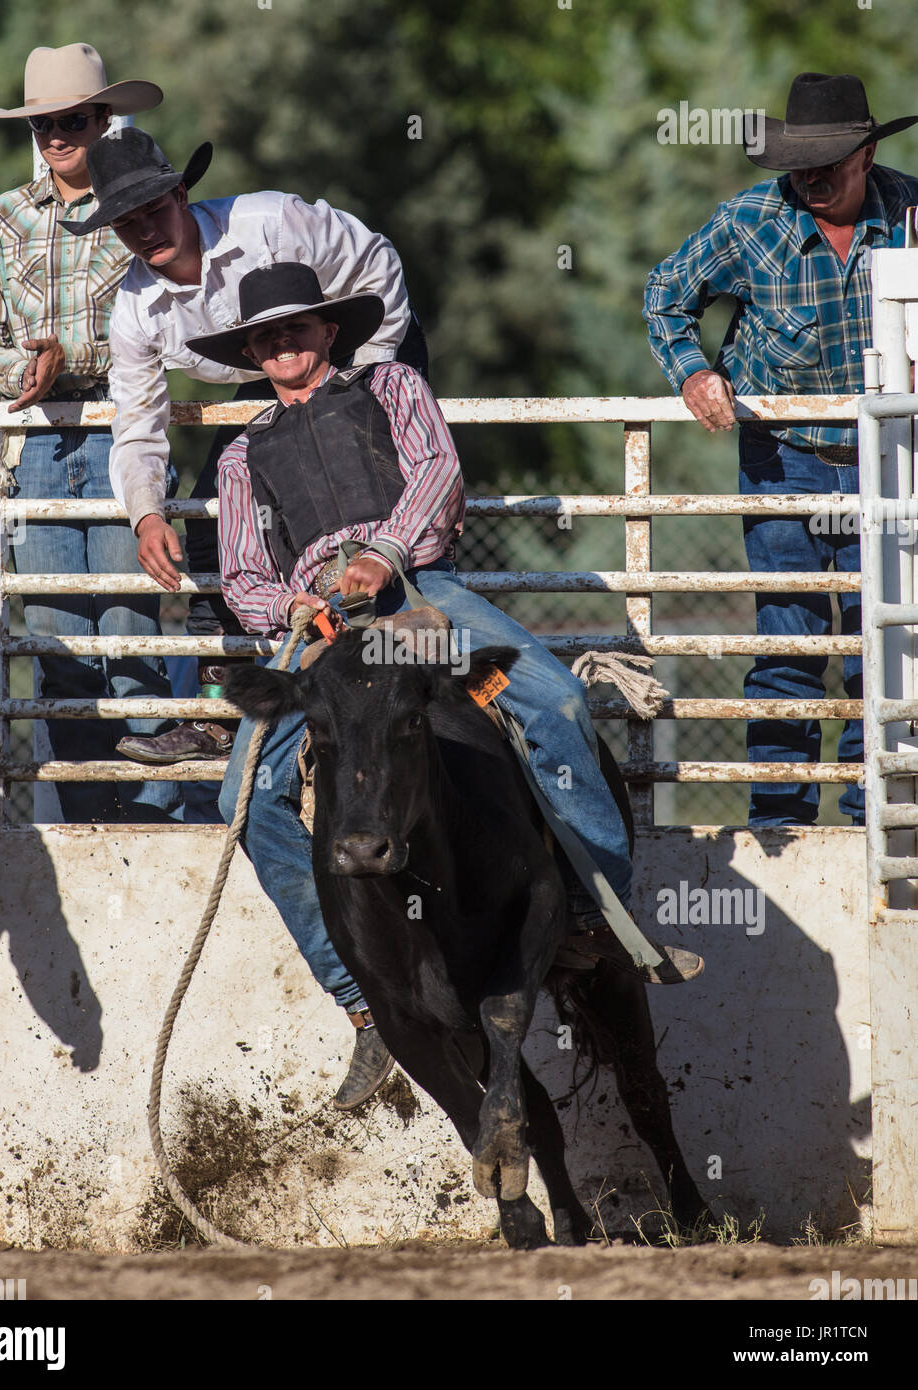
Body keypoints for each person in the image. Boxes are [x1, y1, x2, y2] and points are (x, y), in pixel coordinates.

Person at [191, 262, 702, 1110]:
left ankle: (595, 912)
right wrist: (297, 603)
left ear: (328, 331)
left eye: (295, 327)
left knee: (558, 702)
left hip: (419, 593)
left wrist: (382, 553)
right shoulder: (244, 455)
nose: (281, 343)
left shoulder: (391, 385)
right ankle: (363, 1002)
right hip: (318, 628)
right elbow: (243, 575)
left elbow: (435, 470)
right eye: (264, 336)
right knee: (245, 801)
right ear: (251, 351)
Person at [60, 128, 427, 808]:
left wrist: (362, 387)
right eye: (124, 220)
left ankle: (412, 657)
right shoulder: (136, 308)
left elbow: (376, 261)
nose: (143, 230)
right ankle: (216, 708)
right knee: (211, 529)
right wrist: (144, 511)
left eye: (152, 209)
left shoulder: (271, 220)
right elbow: (137, 420)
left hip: (364, 338)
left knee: (376, 496)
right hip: (267, 364)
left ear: (181, 194)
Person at [644, 72, 918, 828]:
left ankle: (878, 817)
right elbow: (666, 293)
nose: (812, 175)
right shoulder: (748, 224)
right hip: (785, 455)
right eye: (800, 161)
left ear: (866, 153)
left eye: (828, 159)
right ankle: (781, 821)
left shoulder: (913, 210)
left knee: (886, 646)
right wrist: (695, 372)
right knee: (790, 641)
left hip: (890, 452)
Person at [0, 44, 181, 823]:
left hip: (120, 431)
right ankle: (90, 823)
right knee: (58, 650)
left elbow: (162, 321)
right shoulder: (3, 216)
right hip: (35, 447)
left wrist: (70, 359)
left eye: (73, 121)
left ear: (103, 121)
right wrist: (19, 374)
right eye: (45, 123)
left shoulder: (139, 206)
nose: (58, 135)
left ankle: (156, 820)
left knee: (132, 640)